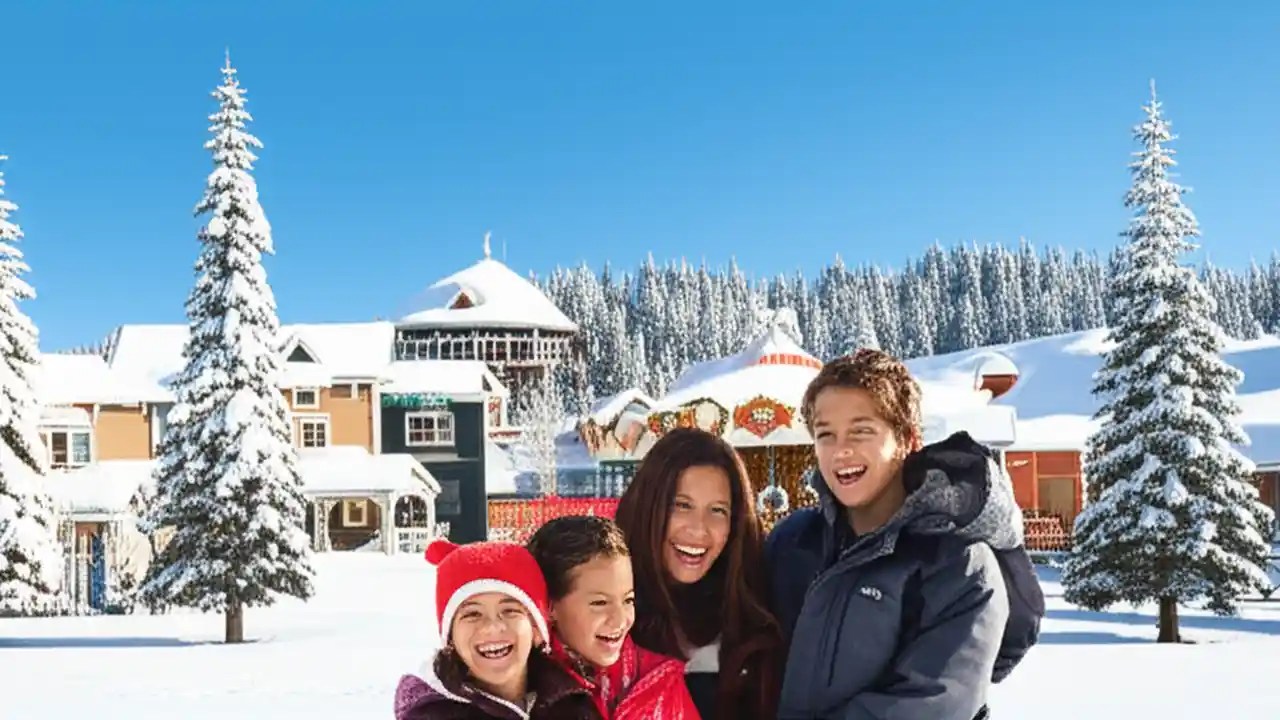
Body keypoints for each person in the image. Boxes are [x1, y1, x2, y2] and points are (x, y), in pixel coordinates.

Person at [766, 348, 1045, 719]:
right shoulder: (792, 542)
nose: (841, 450)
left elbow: (931, 704)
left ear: (908, 439)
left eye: (861, 431)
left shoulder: (958, 566)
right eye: (825, 434)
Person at [613, 427, 783, 720]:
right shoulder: (606, 622)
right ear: (648, 506)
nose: (698, 530)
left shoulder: (755, 627)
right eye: (681, 506)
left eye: (717, 510)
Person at [394, 539, 602, 720]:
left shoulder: (575, 705)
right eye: (472, 614)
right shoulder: (430, 714)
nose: (492, 627)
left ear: (536, 629)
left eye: (510, 610)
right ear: (450, 637)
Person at [527, 515, 700, 719]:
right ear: (549, 606)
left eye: (628, 601)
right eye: (600, 603)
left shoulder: (660, 682)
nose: (620, 620)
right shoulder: (522, 684)